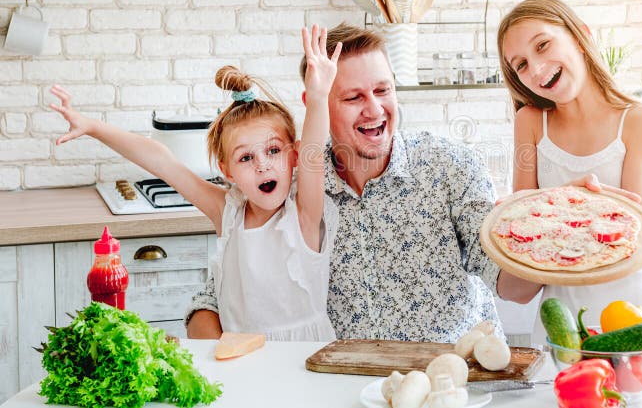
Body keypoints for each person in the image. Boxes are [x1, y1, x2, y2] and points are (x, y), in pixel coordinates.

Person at [186, 23, 544, 342]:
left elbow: (515, 287)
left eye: (383, 90)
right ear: (317, 102)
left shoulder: (449, 166)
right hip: (345, 390)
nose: (374, 109)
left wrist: (539, 241)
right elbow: (220, 294)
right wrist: (220, 355)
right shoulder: (289, 187)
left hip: (452, 383)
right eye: (354, 97)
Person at [49, 25, 342, 341]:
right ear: (226, 171)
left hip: (303, 361)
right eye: (246, 158)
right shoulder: (227, 212)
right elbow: (161, 161)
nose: (262, 165)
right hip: (240, 362)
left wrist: (318, 97)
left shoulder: (304, 215)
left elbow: (315, 149)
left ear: (294, 155)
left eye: (273, 150)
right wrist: (93, 127)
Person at [496, 0, 642, 344]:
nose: (536, 69)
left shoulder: (640, 122)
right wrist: (558, 207)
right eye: (520, 64)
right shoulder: (530, 123)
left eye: (543, 45)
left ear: (580, 36)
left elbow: (631, 244)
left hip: (634, 315)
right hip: (560, 321)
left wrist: (553, 209)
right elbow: (520, 258)